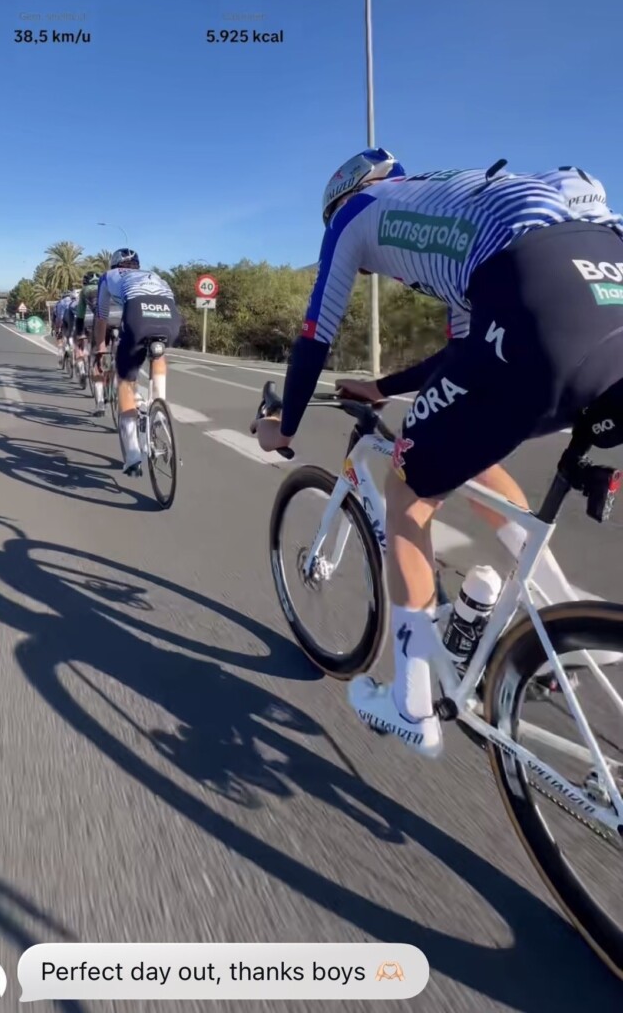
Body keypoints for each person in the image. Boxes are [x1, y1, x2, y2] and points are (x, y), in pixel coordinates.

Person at [251, 150, 623, 757]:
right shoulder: (454, 206)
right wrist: (383, 387)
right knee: (474, 446)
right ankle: (567, 612)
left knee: (408, 489)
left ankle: (411, 705)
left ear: (342, 198)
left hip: (540, 301)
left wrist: (283, 426)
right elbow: (464, 357)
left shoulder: (357, 214)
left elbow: (315, 332)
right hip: (607, 282)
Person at [93, 248, 181, 472]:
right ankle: (159, 406)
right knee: (158, 351)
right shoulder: (154, 275)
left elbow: (102, 317)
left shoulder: (108, 277)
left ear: (114, 265)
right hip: (170, 317)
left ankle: (132, 454)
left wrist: (101, 347)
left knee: (125, 381)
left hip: (138, 315)